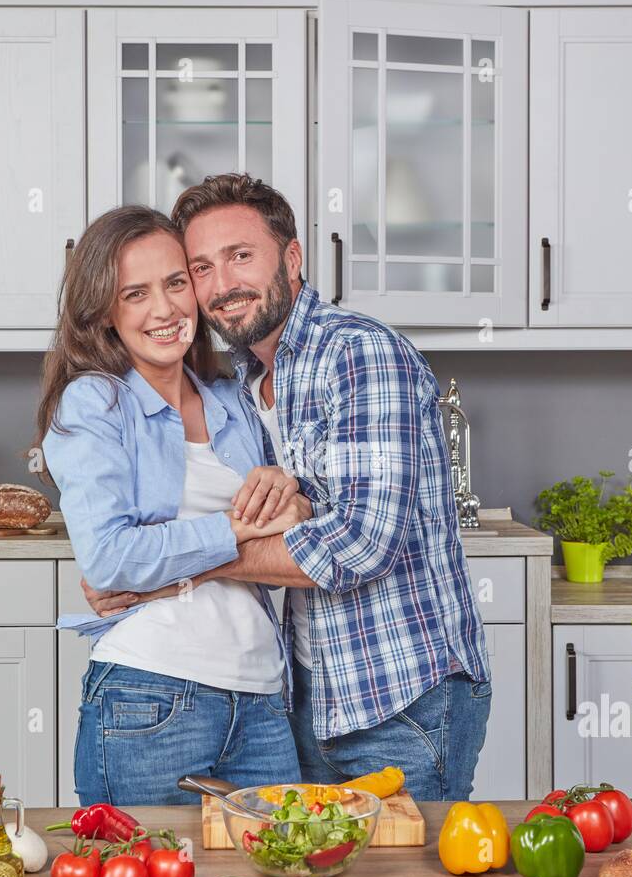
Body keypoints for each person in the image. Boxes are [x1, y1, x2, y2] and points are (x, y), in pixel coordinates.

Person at [83, 175, 493, 802]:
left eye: (240, 256)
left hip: (400, 696)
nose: (221, 286)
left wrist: (171, 570)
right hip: (308, 692)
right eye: (200, 268)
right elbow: (284, 518)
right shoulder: (244, 381)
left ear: (292, 259)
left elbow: (358, 545)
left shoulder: (358, 354)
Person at [35, 204, 306, 805]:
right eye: (135, 293)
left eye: (176, 283)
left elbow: (299, 523)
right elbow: (109, 561)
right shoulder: (95, 403)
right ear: (105, 312)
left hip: (262, 696)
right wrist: (236, 526)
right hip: (151, 696)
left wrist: (288, 500)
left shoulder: (232, 399)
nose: (165, 310)